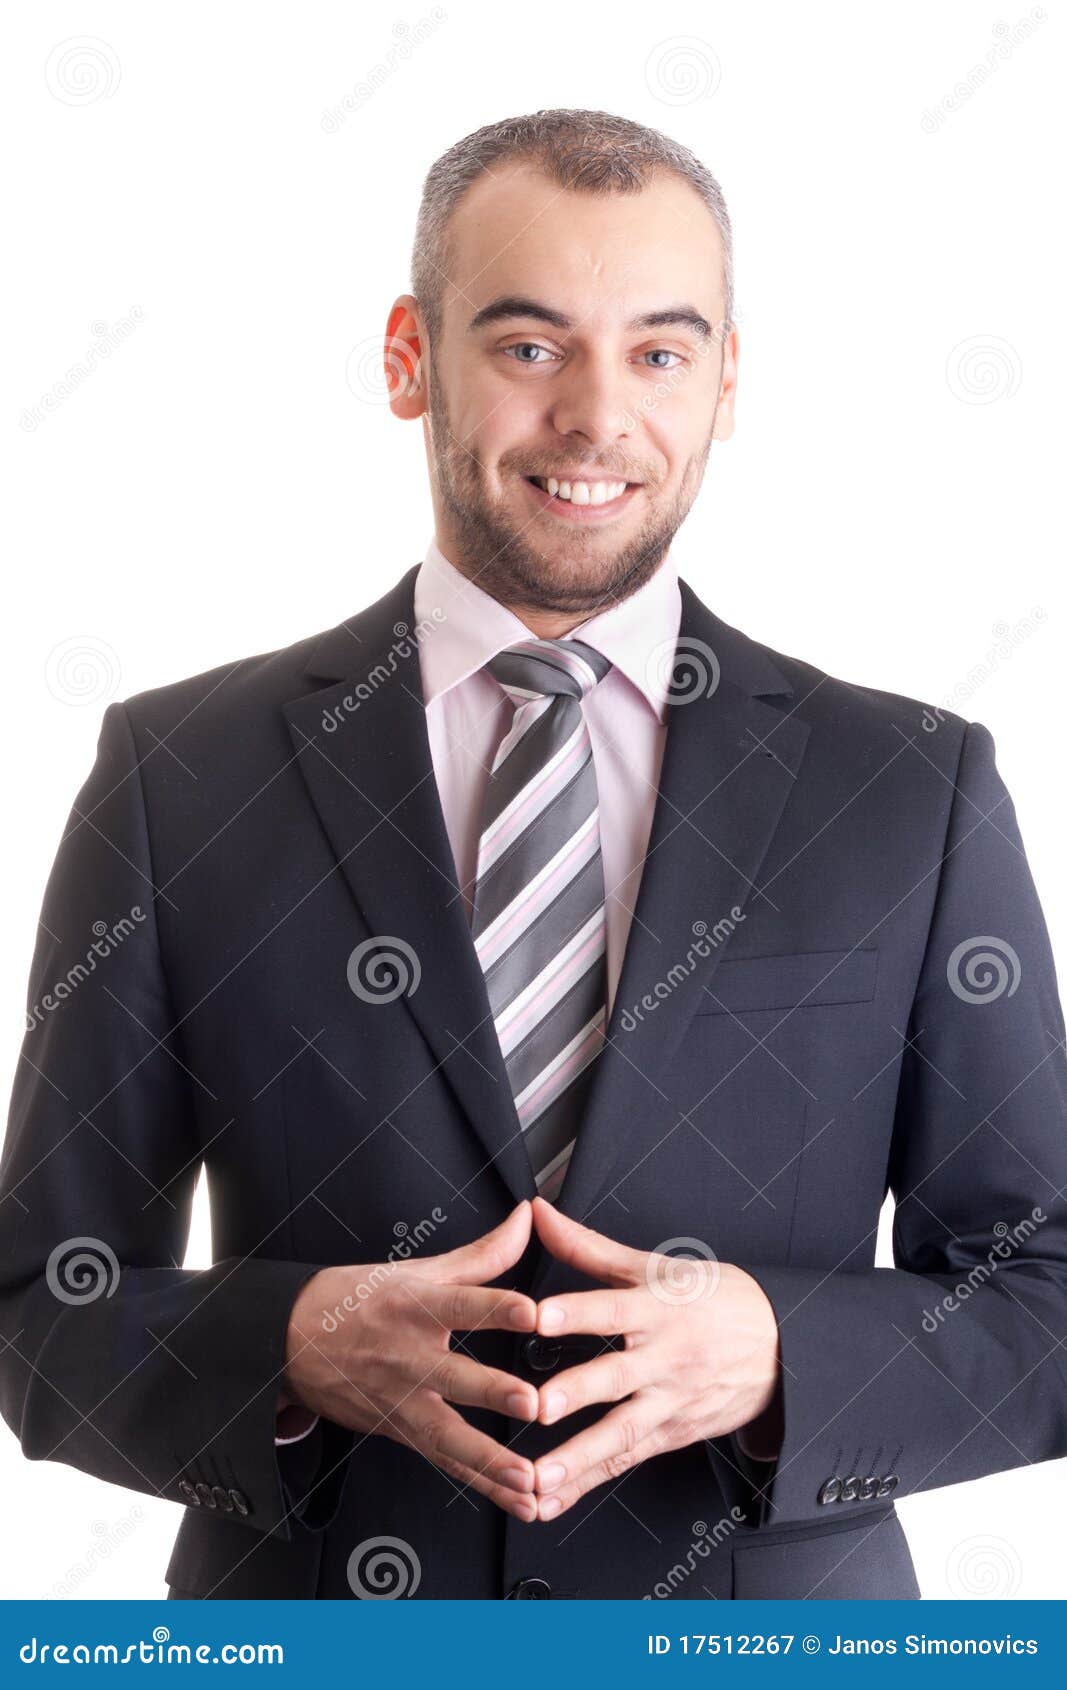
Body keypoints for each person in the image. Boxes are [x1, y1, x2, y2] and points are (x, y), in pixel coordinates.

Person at [3, 109, 1066, 1602]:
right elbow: (38, 1308)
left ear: (727, 380)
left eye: (658, 351)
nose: (596, 419)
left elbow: (1046, 1291)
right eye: (528, 345)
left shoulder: (912, 787)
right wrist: (292, 1342)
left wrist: (782, 1353)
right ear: (407, 357)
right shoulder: (180, 777)